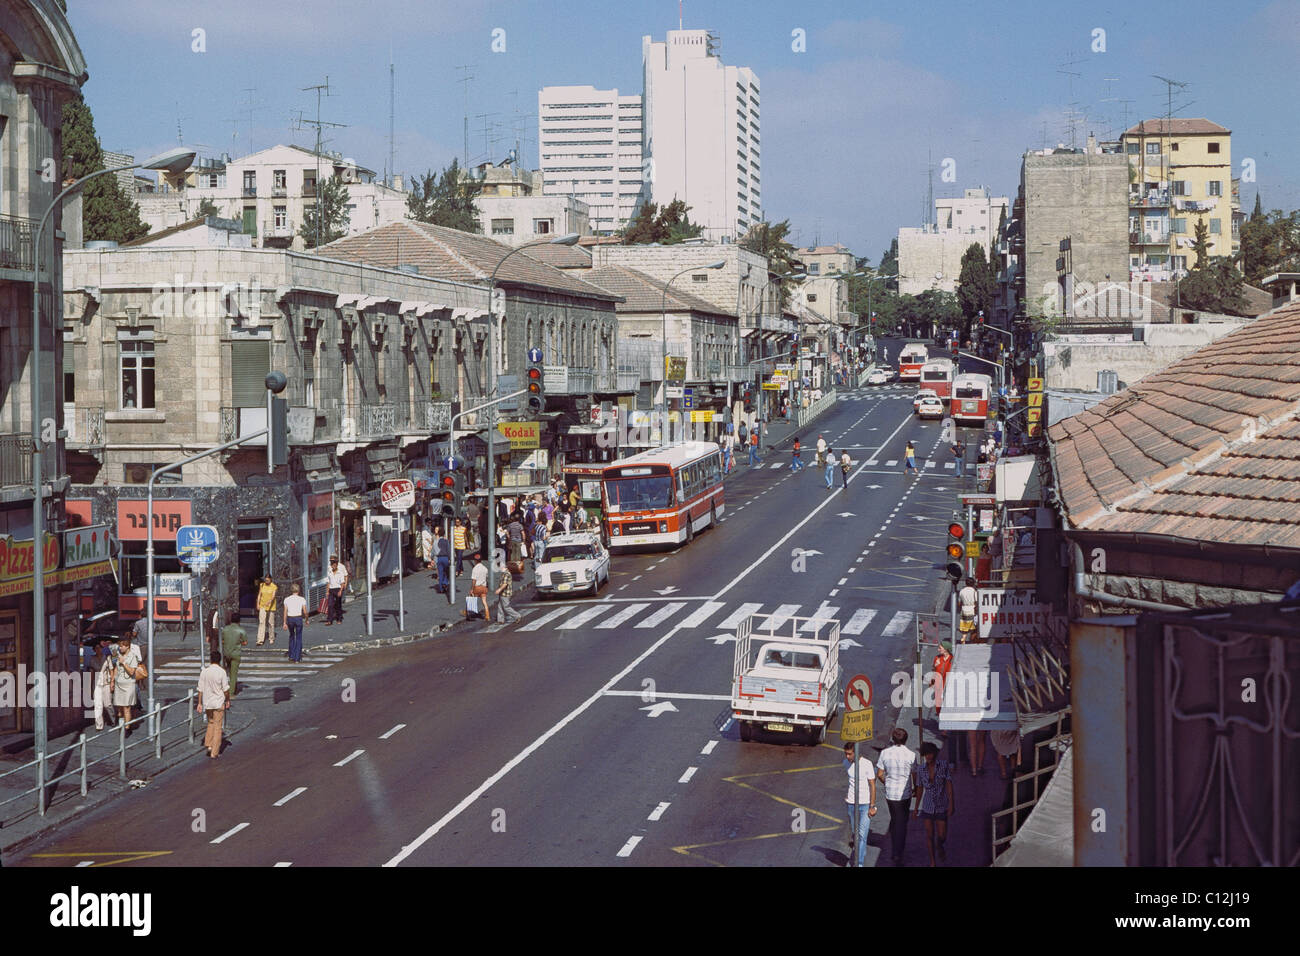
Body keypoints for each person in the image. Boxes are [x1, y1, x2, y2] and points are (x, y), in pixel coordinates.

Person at [877, 728, 917, 865]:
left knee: (895, 819)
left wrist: (887, 782)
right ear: (906, 740)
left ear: (893, 739)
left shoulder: (884, 753)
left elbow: (880, 774)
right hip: (904, 794)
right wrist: (915, 788)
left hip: (890, 794)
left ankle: (896, 843)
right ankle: (897, 852)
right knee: (902, 822)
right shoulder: (911, 755)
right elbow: (914, 774)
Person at [912, 741, 955, 866]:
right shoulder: (921, 769)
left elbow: (949, 784)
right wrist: (916, 808)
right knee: (929, 835)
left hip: (942, 805)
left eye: (930, 754)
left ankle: (940, 845)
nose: (929, 757)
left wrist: (952, 804)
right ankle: (932, 861)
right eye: (926, 754)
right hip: (928, 807)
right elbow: (919, 788)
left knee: (942, 835)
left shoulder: (943, 765)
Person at [843, 742, 877, 867]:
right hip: (851, 803)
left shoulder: (867, 764)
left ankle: (859, 863)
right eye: (846, 754)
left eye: (850, 754)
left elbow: (872, 785)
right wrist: (848, 795)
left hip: (865, 804)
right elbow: (851, 781)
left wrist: (872, 806)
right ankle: (860, 853)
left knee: (862, 834)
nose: (847, 757)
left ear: (856, 752)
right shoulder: (846, 763)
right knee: (855, 833)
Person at [196, 650, 230, 759]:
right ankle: (214, 752)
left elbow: (200, 689)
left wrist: (199, 703)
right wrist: (227, 700)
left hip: (207, 702)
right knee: (218, 727)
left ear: (210, 660)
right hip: (218, 702)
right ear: (219, 660)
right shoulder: (221, 672)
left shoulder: (204, 671)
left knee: (210, 723)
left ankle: (209, 744)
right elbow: (226, 689)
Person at [112, 632, 146, 733]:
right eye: (120, 646)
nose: (120, 648)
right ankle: (122, 721)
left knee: (126, 707)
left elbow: (132, 671)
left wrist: (124, 663)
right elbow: (116, 669)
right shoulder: (118, 655)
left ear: (127, 646)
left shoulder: (132, 656)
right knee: (119, 707)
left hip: (128, 684)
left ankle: (127, 728)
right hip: (119, 684)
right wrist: (112, 681)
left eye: (122, 646)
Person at [220, 608, 247, 696]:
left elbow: (222, 640)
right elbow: (245, 642)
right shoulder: (241, 630)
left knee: (227, 672)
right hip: (236, 654)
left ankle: (228, 688)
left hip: (226, 653)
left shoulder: (225, 629)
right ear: (239, 620)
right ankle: (231, 693)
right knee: (234, 673)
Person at [93, 639, 116, 731]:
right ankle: (99, 725)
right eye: (96, 648)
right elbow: (91, 672)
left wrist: (112, 682)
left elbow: (111, 670)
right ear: (94, 649)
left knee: (108, 704)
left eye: (99, 648)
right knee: (97, 705)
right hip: (97, 683)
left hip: (106, 682)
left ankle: (113, 719)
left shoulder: (107, 658)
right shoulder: (92, 659)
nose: (98, 650)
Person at [282, 582, 308, 663]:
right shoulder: (302, 599)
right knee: (299, 637)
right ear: (298, 590)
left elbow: (285, 612)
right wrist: (307, 619)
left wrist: (284, 622)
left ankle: (291, 655)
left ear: (291, 590)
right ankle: (297, 657)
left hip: (290, 619)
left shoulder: (287, 599)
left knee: (292, 636)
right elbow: (305, 611)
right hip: (298, 618)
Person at [493, 558, 522, 624]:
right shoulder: (504, 573)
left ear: (504, 567)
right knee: (500, 606)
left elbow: (505, 584)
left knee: (506, 607)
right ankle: (500, 620)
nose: (499, 569)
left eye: (500, 567)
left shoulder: (506, 574)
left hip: (505, 594)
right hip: (503, 593)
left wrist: (499, 589)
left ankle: (517, 616)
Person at [931, 640, 954, 717]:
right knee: (938, 706)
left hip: (948, 687)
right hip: (938, 687)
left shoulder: (952, 659)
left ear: (946, 649)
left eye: (940, 648)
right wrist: (935, 666)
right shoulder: (937, 658)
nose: (938, 650)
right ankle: (941, 724)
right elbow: (934, 672)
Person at [325, 554, 348, 625]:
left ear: (336, 561)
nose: (332, 564)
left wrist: (343, 587)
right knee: (330, 604)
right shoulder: (329, 570)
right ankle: (329, 620)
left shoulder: (341, 568)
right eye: (331, 561)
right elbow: (328, 581)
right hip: (331, 589)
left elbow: (345, 577)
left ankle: (339, 618)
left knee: (338, 604)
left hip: (338, 588)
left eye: (333, 561)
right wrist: (327, 591)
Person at [255, 574, 278, 646]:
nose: (266, 581)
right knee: (262, 622)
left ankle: (271, 637)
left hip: (271, 606)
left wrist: (270, 601)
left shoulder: (274, 586)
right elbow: (259, 595)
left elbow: (273, 596)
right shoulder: (262, 585)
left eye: (268, 580)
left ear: (270, 579)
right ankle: (260, 640)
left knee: (270, 623)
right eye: (265, 579)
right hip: (263, 605)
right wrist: (257, 604)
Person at [467, 553, 491, 621]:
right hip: (484, 587)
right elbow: (486, 578)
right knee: (484, 601)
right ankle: (487, 615)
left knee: (471, 598)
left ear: (475, 561)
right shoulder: (485, 568)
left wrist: (472, 589)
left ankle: (470, 615)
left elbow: (474, 580)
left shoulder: (475, 569)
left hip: (477, 587)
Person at [433, 524, 451, 595]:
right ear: (444, 533)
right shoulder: (446, 541)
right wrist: (449, 558)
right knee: (446, 572)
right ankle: (445, 583)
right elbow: (448, 550)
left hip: (439, 558)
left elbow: (433, 551)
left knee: (440, 573)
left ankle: (440, 588)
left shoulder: (435, 541)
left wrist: (432, 558)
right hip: (445, 558)